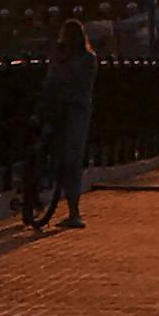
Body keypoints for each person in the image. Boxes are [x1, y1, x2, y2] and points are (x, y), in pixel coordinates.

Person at [43, 13, 101, 225]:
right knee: (66, 157)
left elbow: (71, 81)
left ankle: (74, 212)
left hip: (75, 110)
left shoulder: (87, 60)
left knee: (72, 159)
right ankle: (69, 208)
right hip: (64, 109)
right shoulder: (74, 58)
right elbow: (51, 81)